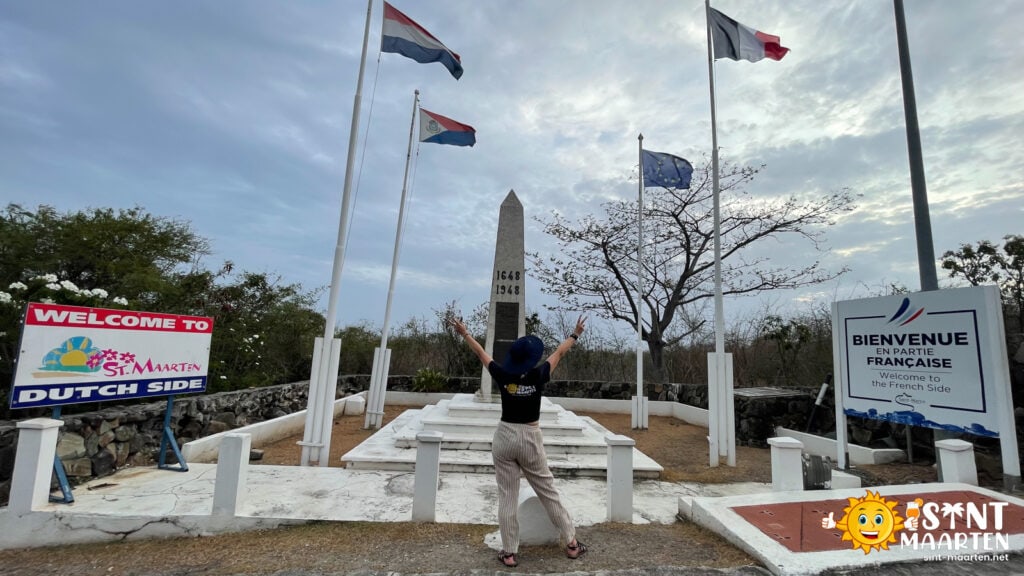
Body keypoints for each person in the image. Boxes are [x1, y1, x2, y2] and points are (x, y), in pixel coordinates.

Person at [449, 314, 589, 568]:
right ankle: (571, 543)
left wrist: (465, 333)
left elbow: (481, 354)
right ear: (532, 358)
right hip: (530, 437)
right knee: (548, 491)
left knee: (507, 495)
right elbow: (560, 352)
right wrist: (575, 333)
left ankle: (509, 551)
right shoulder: (539, 375)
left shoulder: (503, 374)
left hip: (504, 435)